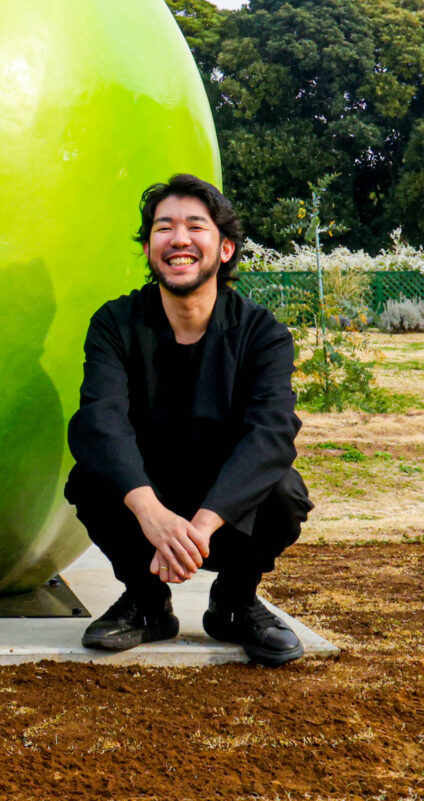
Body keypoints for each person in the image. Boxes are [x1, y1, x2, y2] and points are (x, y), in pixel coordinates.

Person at [65, 173, 311, 663]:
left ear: (224, 249)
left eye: (195, 226)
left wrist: (197, 529)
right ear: (149, 247)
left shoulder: (262, 335)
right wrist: (152, 515)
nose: (179, 239)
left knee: (284, 490)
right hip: (149, 504)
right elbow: (101, 421)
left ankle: (236, 602)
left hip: (222, 512)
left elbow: (272, 435)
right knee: (93, 476)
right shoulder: (115, 324)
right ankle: (146, 602)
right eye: (163, 228)